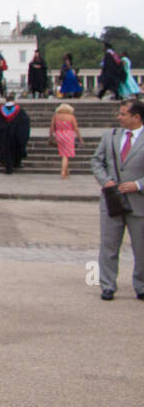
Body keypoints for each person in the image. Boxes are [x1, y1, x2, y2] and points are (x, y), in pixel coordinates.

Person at [90, 99, 144, 300]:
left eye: (123, 114)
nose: (118, 117)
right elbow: (97, 161)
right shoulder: (111, 136)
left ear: (136, 117)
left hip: (139, 200)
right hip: (112, 199)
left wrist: (138, 184)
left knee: (141, 247)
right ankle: (107, 285)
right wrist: (106, 181)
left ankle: (141, 285)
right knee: (109, 245)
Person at [0, 93, 30, 174]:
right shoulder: (20, 111)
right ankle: (16, 163)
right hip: (15, 136)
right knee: (16, 149)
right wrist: (23, 137)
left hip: (3, 135)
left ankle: (6, 164)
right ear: (13, 100)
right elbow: (25, 126)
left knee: (4, 149)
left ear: (6, 100)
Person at [49, 103, 83, 180]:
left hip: (59, 135)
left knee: (64, 154)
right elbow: (76, 128)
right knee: (66, 155)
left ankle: (67, 172)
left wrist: (50, 137)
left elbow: (52, 127)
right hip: (69, 135)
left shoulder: (56, 116)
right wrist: (80, 138)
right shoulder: (71, 117)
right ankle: (63, 172)